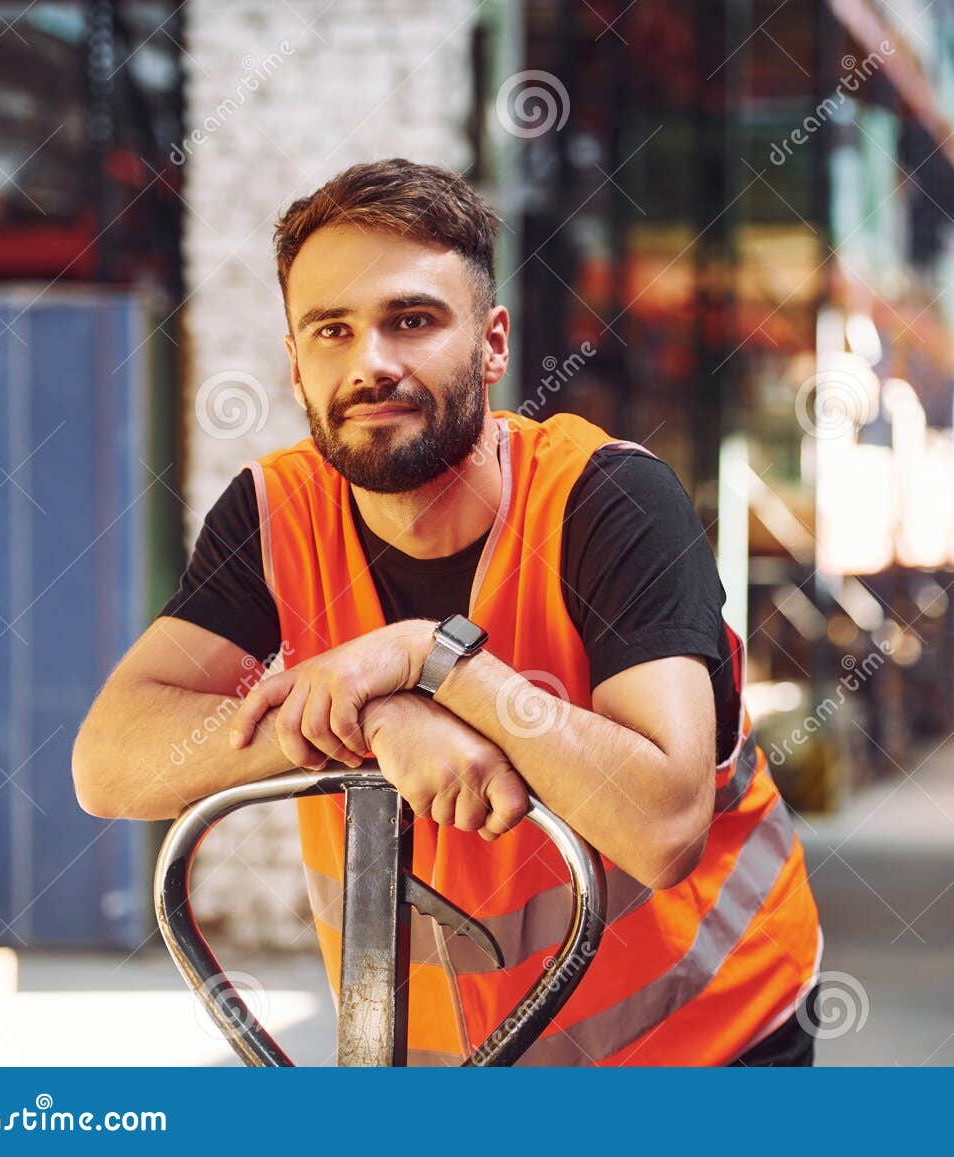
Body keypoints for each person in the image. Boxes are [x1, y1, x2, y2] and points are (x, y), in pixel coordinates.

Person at [72, 158, 823, 1066]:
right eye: (332, 331)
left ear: (493, 343)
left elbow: (662, 826)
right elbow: (109, 764)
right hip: (462, 1062)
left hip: (703, 1042)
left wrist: (433, 659)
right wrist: (376, 716)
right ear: (296, 364)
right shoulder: (276, 516)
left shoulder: (608, 501)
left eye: (412, 320)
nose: (372, 362)